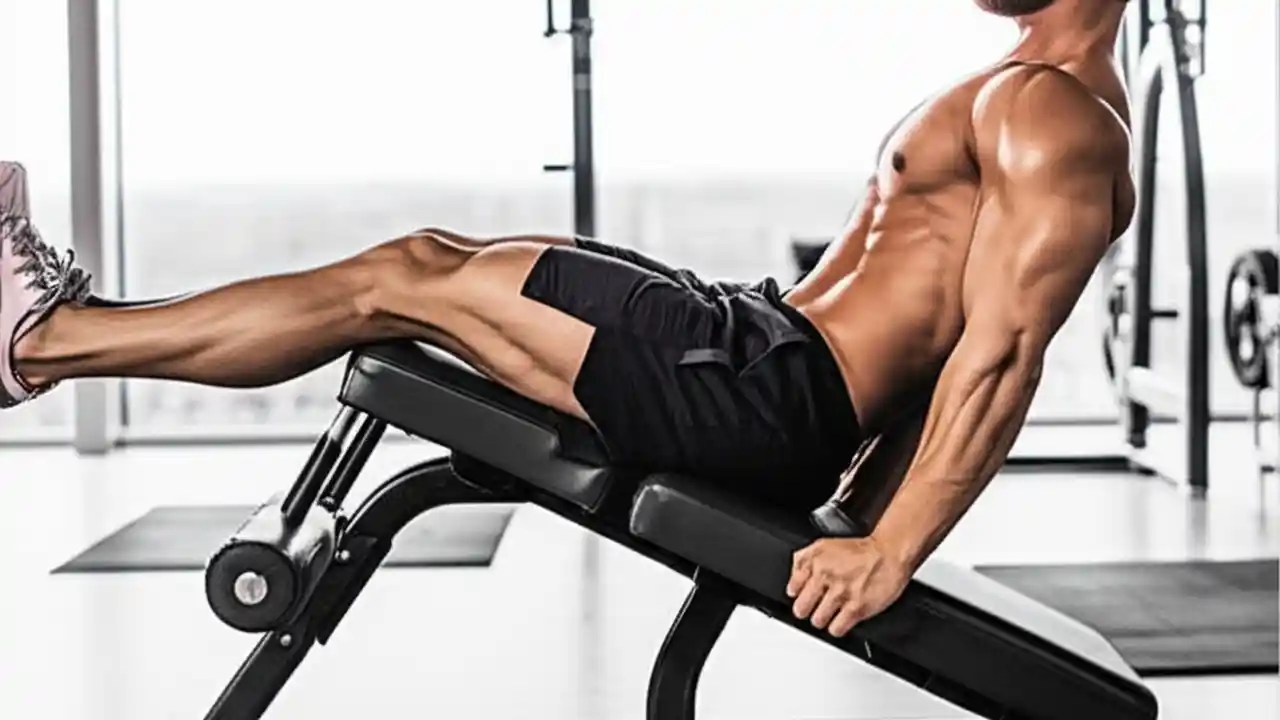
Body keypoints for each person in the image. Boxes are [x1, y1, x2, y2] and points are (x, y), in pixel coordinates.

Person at [0, 0, 1133, 639]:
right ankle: (55, 335)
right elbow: (948, 350)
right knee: (418, 266)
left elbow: (999, 352)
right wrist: (851, 500)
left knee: (395, 282)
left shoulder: (1059, 117)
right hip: (754, 347)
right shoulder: (1019, 83)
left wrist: (886, 547)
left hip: (758, 387)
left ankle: (45, 340)